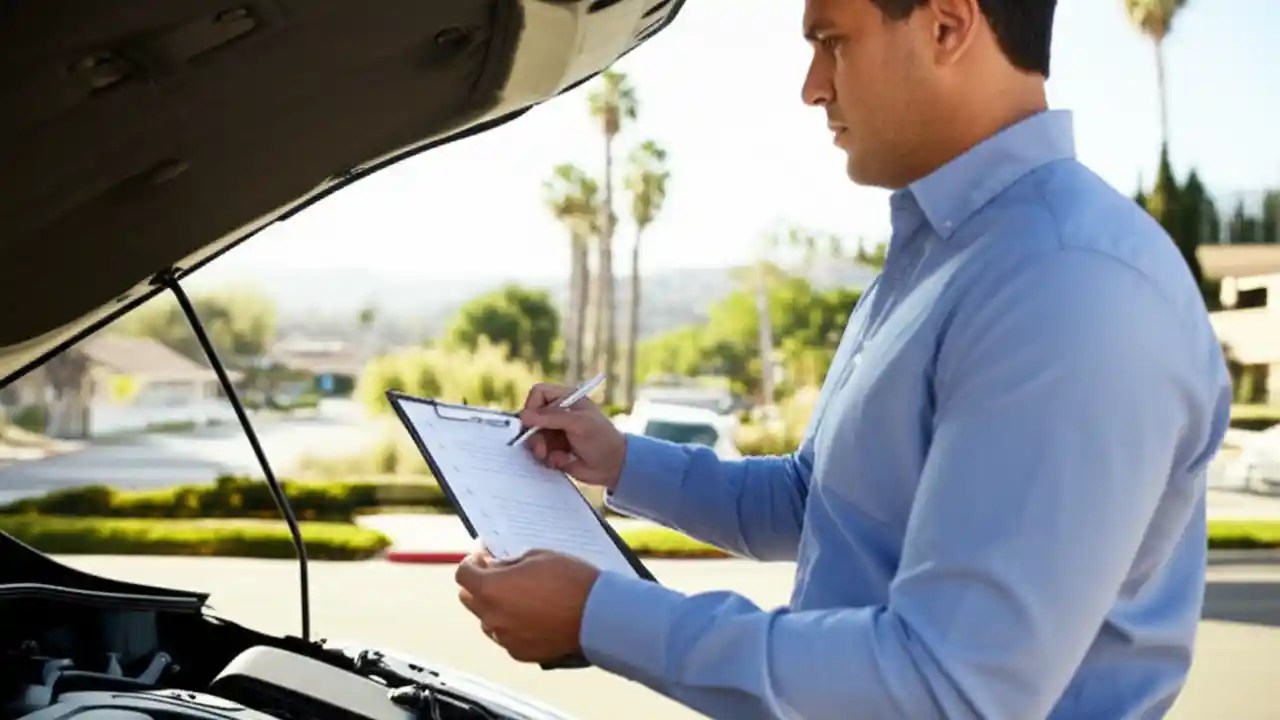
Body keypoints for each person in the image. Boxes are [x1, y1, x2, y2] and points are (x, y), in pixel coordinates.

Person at [454, 0, 1232, 717]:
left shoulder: (1069, 281)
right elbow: (817, 502)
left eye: (832, 43)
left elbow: (945, 690)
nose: (811, 87)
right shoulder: (941, 257)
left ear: (946, 26)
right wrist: (620, 459)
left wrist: (597, 615)